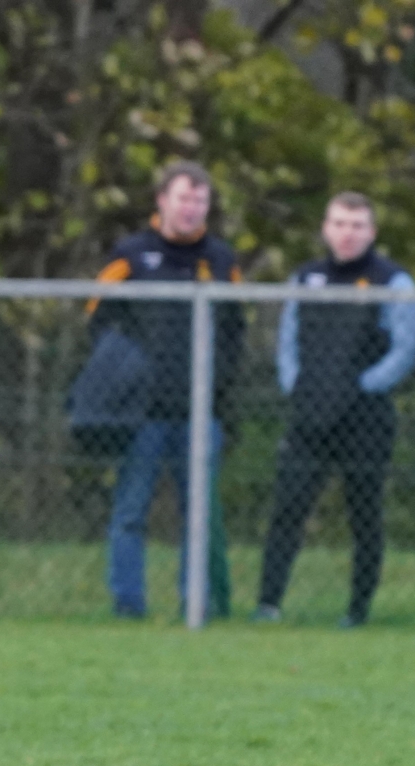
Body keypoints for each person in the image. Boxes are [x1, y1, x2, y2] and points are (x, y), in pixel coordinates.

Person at [252, 193, 415, 629]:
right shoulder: (306, 278)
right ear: (326, 228)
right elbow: (287, 343)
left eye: (358, 225)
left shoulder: (393, 281)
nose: (348, 233)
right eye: (340, 224)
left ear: (372, 232)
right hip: (310, 414)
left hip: (364, 417)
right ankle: (268, 604)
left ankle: (357, 610)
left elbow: (404, 349)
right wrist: (298, 386)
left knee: (364, 514)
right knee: (288, 508)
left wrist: (361, 388)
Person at [89, 161, 244, 620]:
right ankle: (128, 604)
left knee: (198, 517)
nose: (191, 208)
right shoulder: (132, 254)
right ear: (162, 201)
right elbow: (97, 315)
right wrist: (122, 377)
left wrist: (220, 388)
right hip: (141, 413)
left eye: (200, 200)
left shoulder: (220, 260)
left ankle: (194, 604)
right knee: (131, 511)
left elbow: (236, 329)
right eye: (183, 198)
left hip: (200, 412)